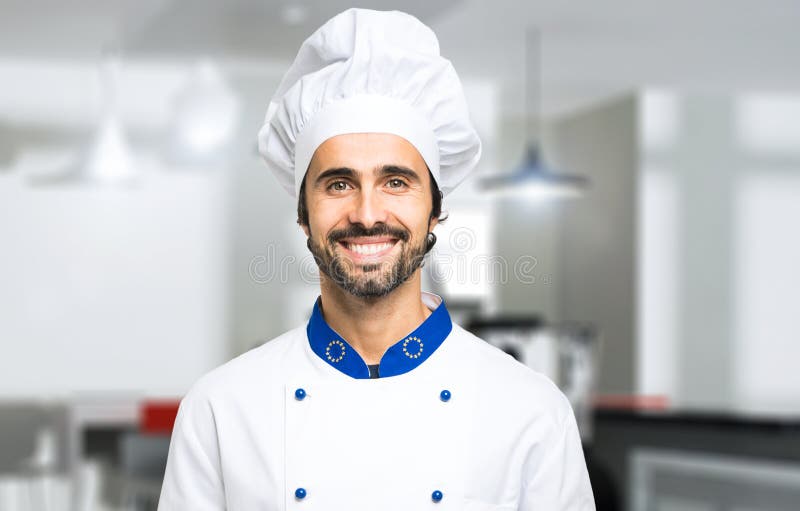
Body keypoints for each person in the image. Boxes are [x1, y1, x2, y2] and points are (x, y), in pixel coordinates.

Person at [158, 8, 595, 510]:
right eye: (338, 183)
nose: (367, 214)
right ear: (303, 215)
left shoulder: (532, 412)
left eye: (396, 182)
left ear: (435, 210)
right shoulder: (220, 409)